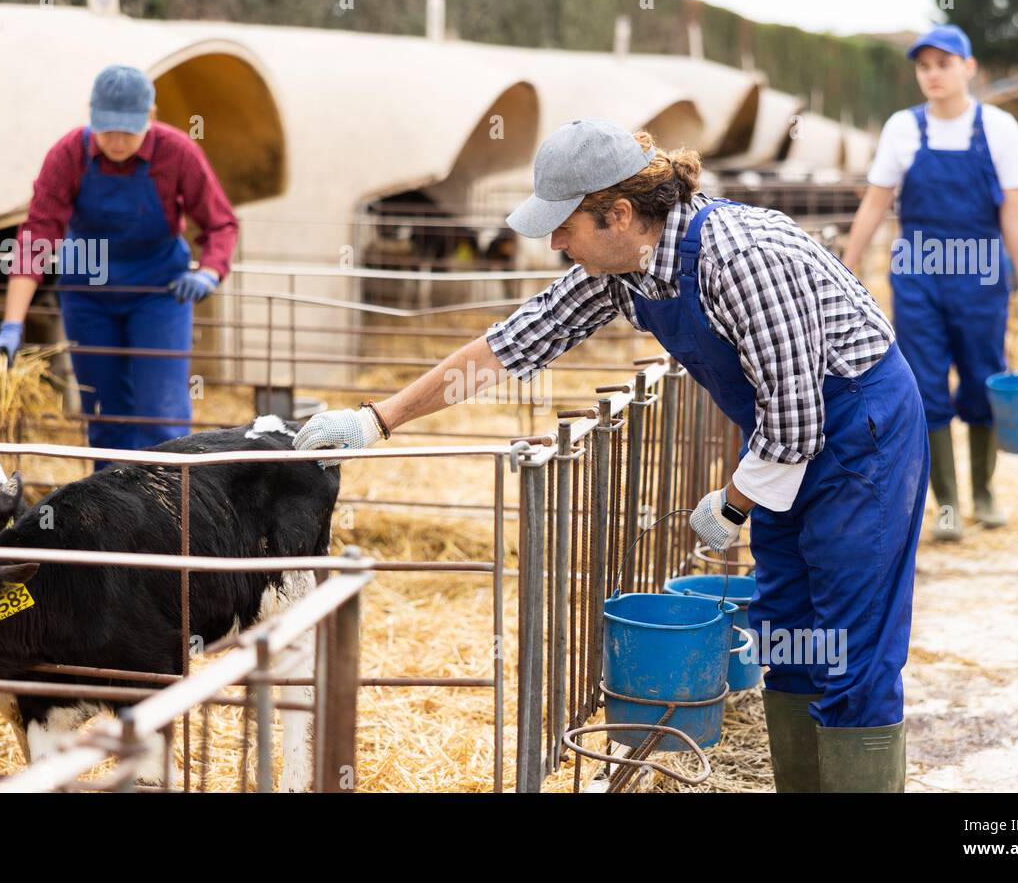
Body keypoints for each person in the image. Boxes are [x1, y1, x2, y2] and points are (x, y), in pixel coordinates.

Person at [295, 119, 930, 792]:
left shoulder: (738, 259)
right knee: (789, 633)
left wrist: (735, 504)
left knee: (850, 649)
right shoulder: (623, 267)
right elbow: (512, 343)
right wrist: (376, 419)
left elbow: (798, 418)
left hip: (859, 433)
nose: (555, 243)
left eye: (563, 227)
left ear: (619, 213)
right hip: (780, 439)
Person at [843, 25, 1018, 542]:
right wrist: (846, 267)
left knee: (983, 376)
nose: (933, 74)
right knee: (926, 384)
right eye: (924, 65)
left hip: (980, 275)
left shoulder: (999, 128)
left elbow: (1016, 213)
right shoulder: (902, 129)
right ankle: (949, 505)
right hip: (917, 277)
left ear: (968, 68)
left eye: (944, 63)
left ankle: (985, 493)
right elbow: (876, 200)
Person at [0, 65, 238, 461]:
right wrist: (12, 323)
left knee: (161, 412)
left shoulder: (178, 152)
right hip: (88, 294)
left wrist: (209, 272)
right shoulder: (67, 154)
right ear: (90, 114)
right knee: (105, 412)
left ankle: (170, 507)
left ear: (151, 117)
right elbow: (37, 235)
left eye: (129, 130)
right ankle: (112, 506)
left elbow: (221, 222)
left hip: (159, 292)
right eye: (107, 130)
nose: (118, 142)